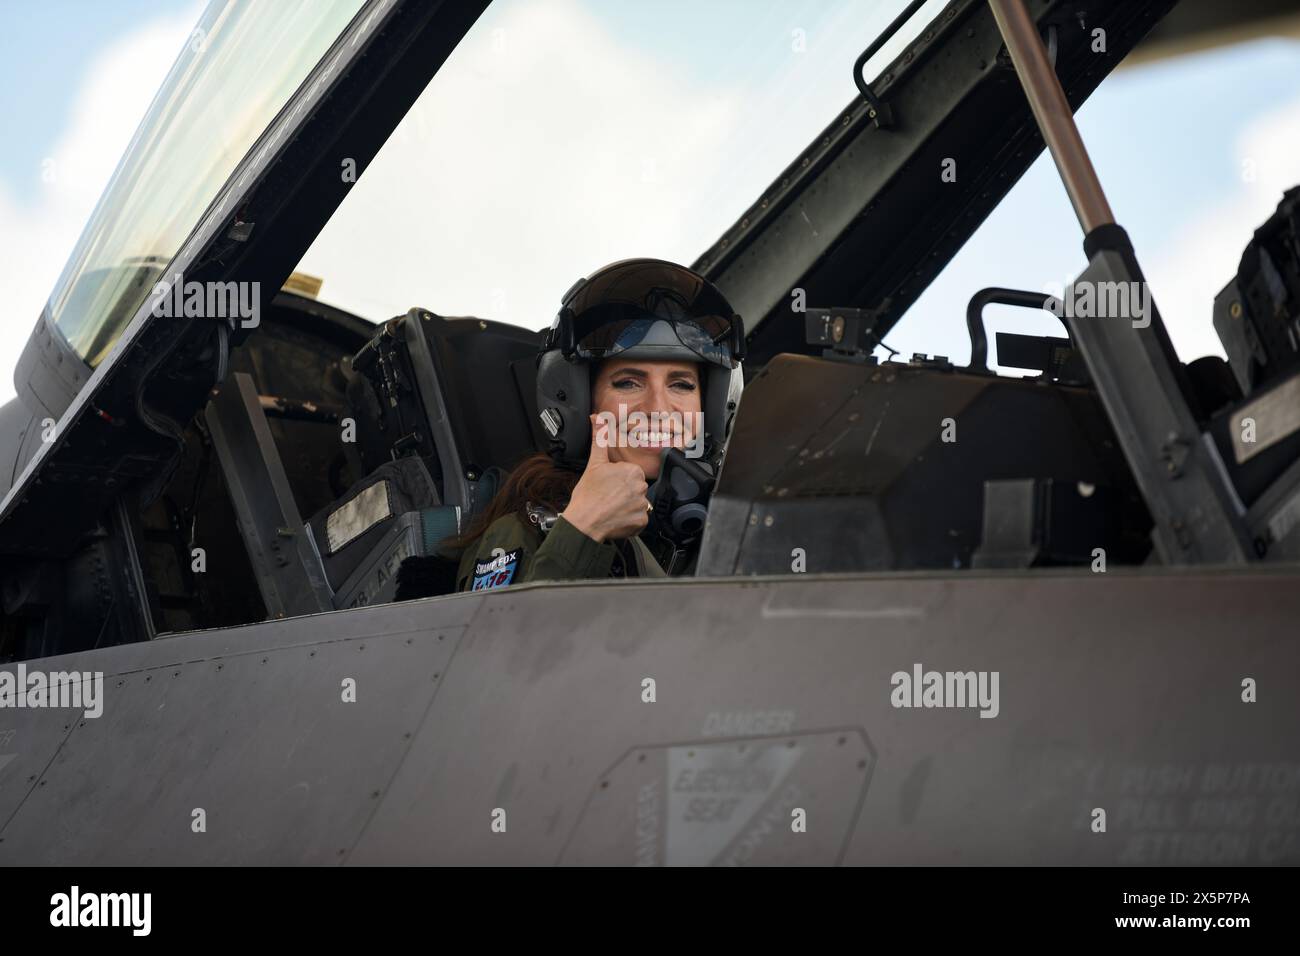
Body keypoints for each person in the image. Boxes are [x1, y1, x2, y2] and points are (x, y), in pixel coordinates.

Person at [448, 257, 745, 591]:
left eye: (681, 385)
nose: (659, 408)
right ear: (577, 402)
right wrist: (582, 530)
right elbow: (497, 641)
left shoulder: (741, 529)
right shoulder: (525, 532)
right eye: (628, 383)